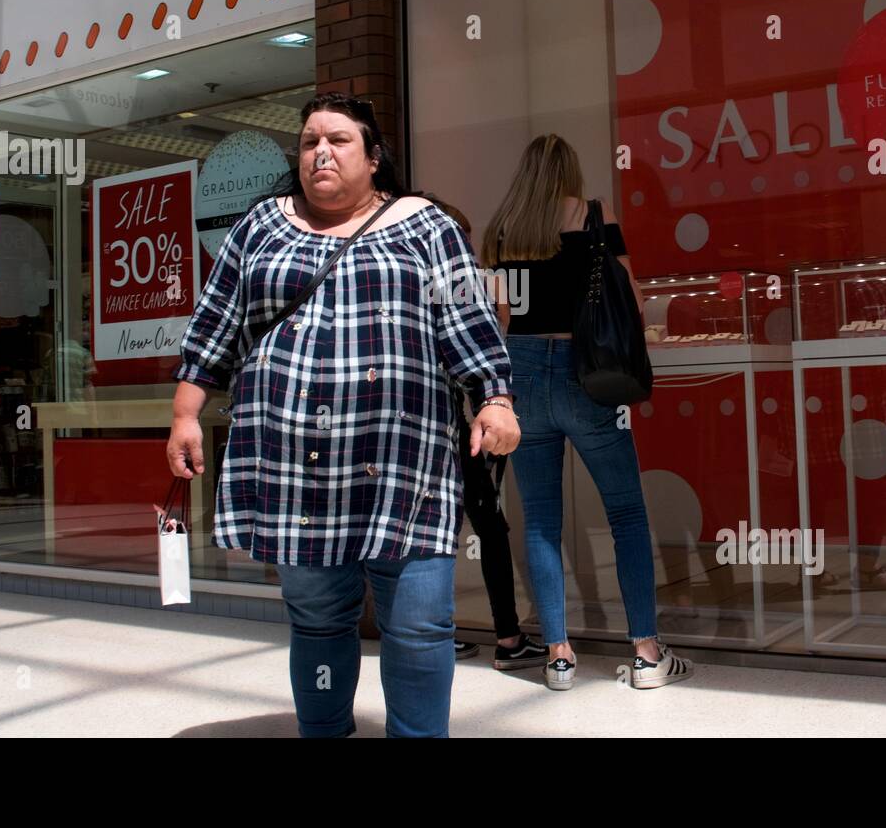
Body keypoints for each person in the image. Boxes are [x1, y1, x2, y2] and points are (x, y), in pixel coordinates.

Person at [166, 92, 520, 737]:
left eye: (338, 140)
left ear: (375, 157)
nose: (320, 152)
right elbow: (214, 324)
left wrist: (494, 397)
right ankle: (324, 731)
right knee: (319, 620)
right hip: (293, 462)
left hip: (404, 461)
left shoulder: (427, 226)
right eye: (308, 142)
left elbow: (468, 320)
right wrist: (186, 414)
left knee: (418, 625)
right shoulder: (261, 227)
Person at [484, 133, 693, 691]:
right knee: (626, 514)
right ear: (570, 171)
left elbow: (501, 313)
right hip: (587, 372)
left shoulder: (505, 226)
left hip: (523, 371)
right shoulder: (595, 214)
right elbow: (632, 294)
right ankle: (646, 654)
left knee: (542, 523)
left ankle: (557, 656)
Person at [421, 192, 548, 670]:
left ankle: (443, 632)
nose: (467, 245)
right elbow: (491, 346)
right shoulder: (473, 284)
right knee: (486, 527)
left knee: (445, 528)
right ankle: (507, 638)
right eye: (463, 236)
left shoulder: (421, 284)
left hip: (447, 421)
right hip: (468, 422)